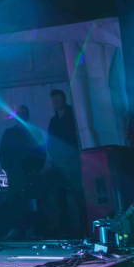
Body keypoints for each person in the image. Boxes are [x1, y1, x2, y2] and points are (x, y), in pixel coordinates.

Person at [0, 105, 46, 240]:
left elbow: (41, 152)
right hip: (14, 173)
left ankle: (31, 230)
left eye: (23, 113)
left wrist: (36, 170)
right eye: (19, 113)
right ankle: (15, 229)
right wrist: (6, 168)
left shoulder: (34, 133)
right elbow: (2, 152)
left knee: (31, 201)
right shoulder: (9, 133)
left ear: (27, 115)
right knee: (14, 200)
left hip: (30, 173)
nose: (21, 116)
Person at [46, 89, 88, 237]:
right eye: (53, 100)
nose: (55, 102)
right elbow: (49, 142)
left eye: (57, 99)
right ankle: (66, 230)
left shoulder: (74, 116)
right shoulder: (54, 121)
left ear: (64, 99)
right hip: (58, 165)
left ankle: (86, 228)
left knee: (79, 197)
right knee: (60, 198)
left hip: (74, 164)